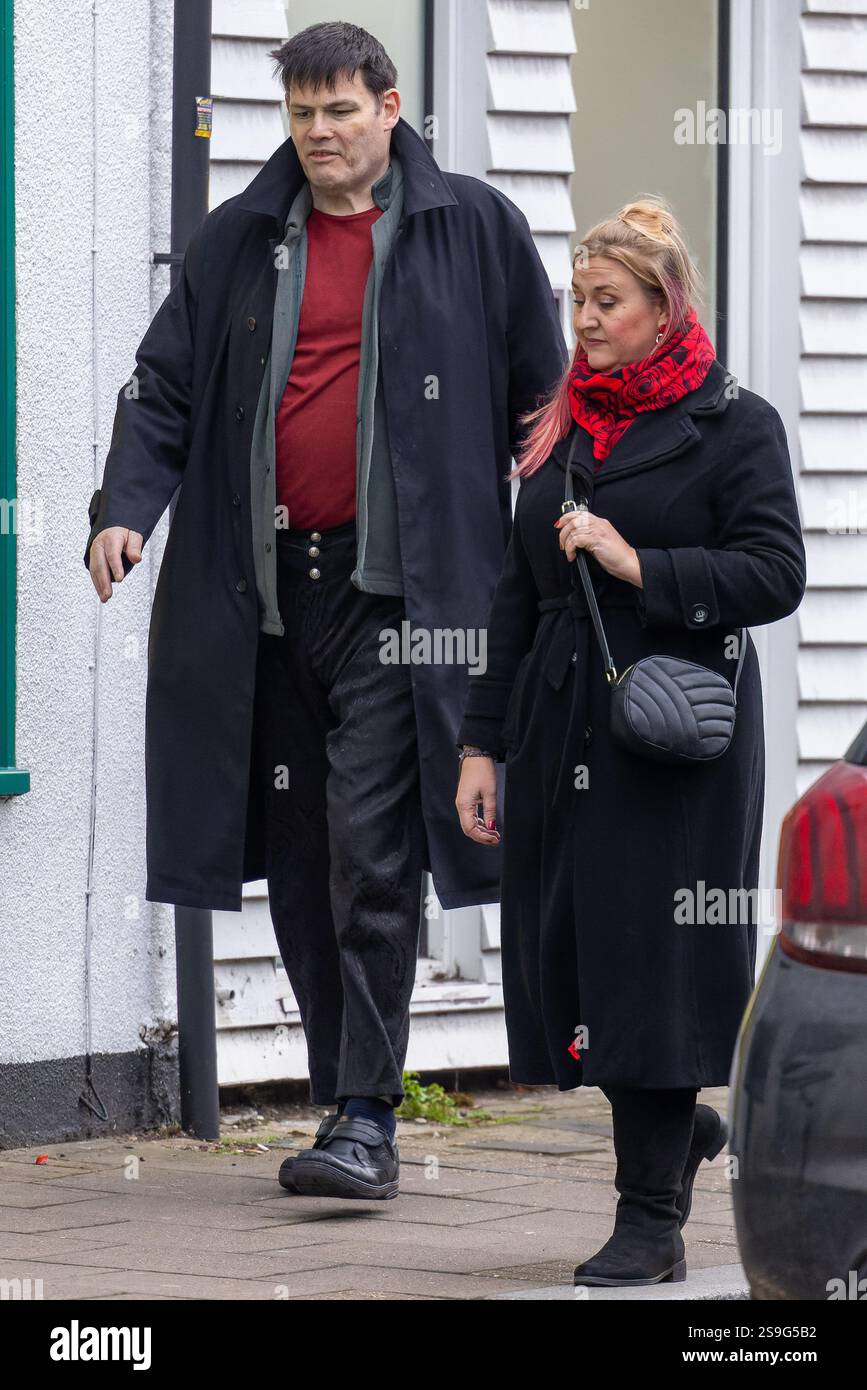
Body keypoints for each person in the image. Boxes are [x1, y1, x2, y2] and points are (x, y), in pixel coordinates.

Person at [83, 21, 566, 1199]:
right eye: (301, 114)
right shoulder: (242, 239)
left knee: (369, 849)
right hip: (265, 594)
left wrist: (550, 549)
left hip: (397, 600)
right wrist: (124, 506)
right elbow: (164, 385)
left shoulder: (475, 231)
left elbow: (542, 405)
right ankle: (342, 1098)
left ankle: (366, 1116)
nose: (319, 134)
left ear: (389, 109)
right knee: (300, 865)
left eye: (340, 111)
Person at [455, 196, 806, 1285]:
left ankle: (649, 1220)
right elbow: (517, 595)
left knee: (654, 966)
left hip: (672, 735)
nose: (586, 322)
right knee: (581, 961)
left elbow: (775, 573)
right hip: (561, 724)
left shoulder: (734, 421)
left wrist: (641, 564)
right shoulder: (561, 424)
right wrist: (479, 743)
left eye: (607, 302)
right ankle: (680, 1146)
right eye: (578, 300)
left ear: (666, 306)